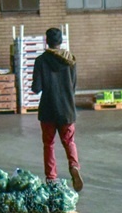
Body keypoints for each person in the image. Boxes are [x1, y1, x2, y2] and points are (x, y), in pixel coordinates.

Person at [32, 27, 83, 191]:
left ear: (47, 41)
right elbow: (73, 86)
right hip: (67, 109)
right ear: (61, 42)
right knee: (69, 141)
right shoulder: (71, 60)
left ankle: (51, 178)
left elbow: (37, 87)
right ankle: (74, 166)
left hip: (48, 109)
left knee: (49, 144)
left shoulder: (41, 60)